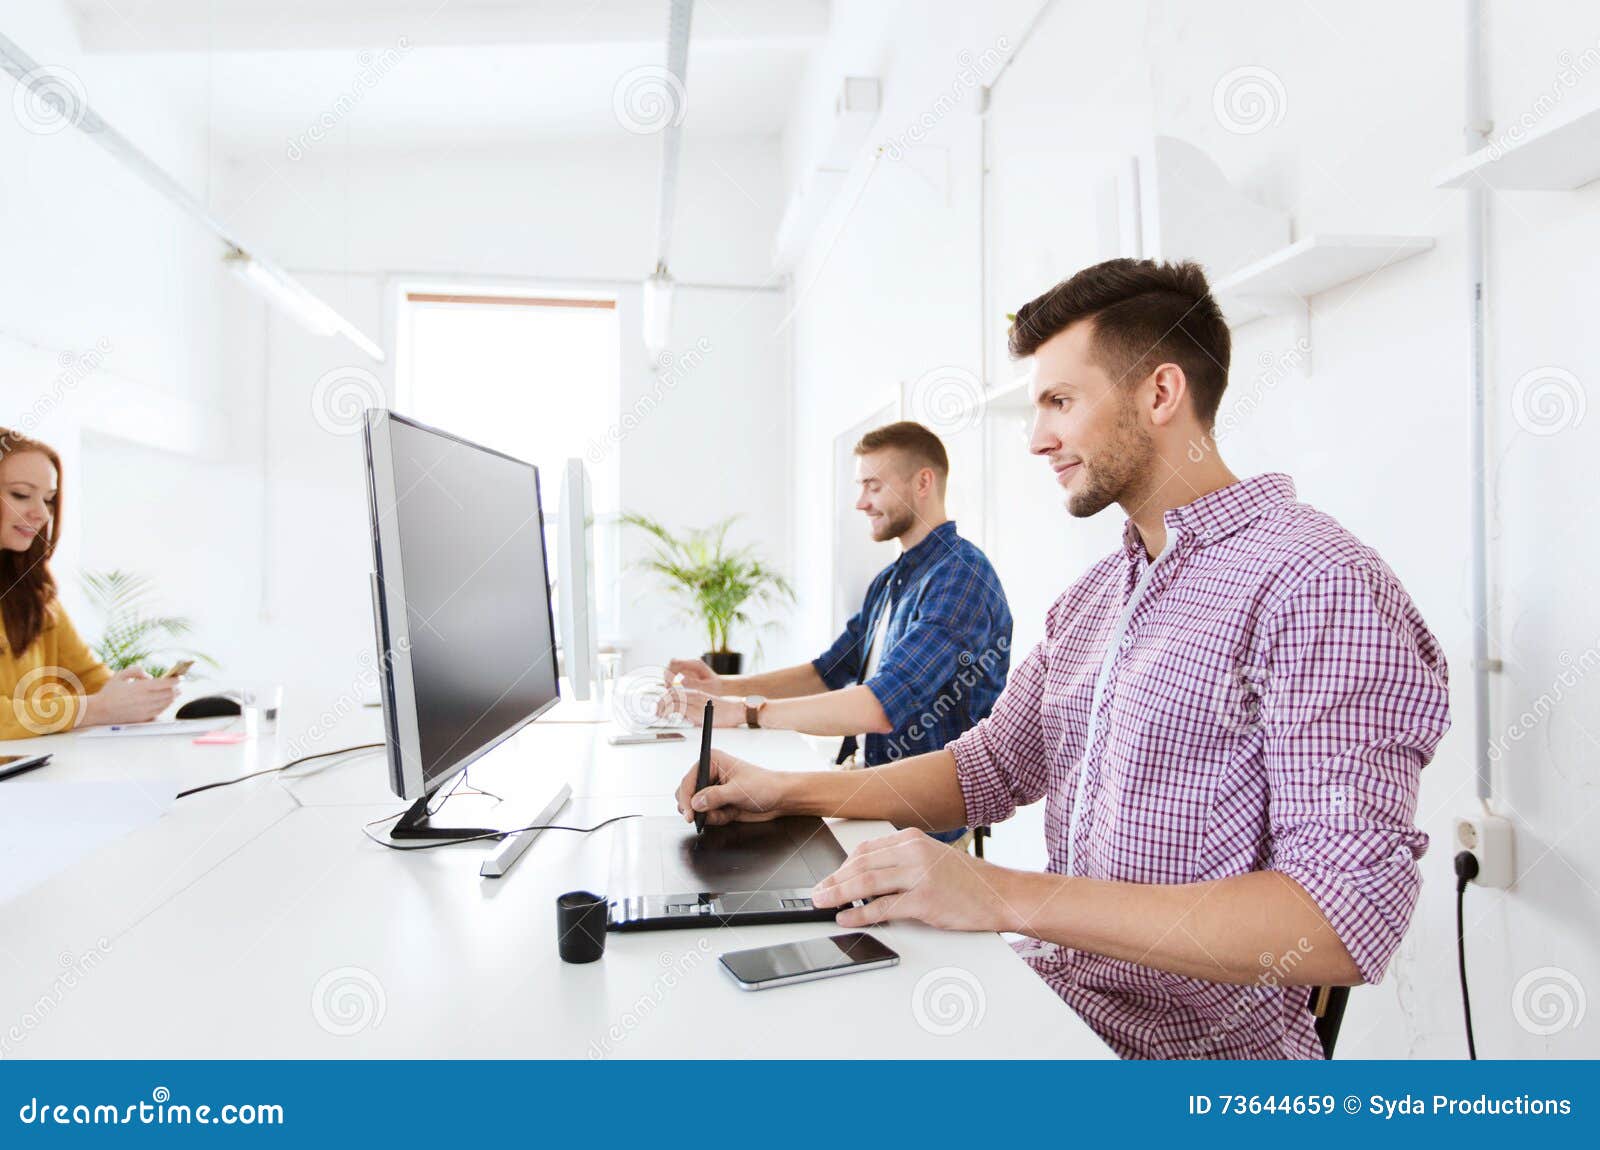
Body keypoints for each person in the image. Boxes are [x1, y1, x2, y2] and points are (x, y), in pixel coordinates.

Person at [673, 259, 1450, 1060]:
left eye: (1060, 401)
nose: (1038, 437)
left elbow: (1341, 918)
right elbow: (986, 768)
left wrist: (1000, 894)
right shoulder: (1095, 599)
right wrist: (786, 793)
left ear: (1159, 394)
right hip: (1050, 1009)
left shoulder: (1317, 585)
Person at [660, 421, 1012, 843]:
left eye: (873, 486)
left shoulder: (961, 577)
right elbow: (827, 671)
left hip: (927, 826)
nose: (861, 502)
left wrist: (747, 712)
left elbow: (881, 707)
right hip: (875, 797)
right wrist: (726, 687)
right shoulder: (890, 581)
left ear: (923, 482)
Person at [0, 429, 180, 739]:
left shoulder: (35, 594)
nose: (42, 513)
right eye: (20, 494)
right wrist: (93, 709)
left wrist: (135, 696)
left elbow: (86, 678)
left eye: (49, 499)